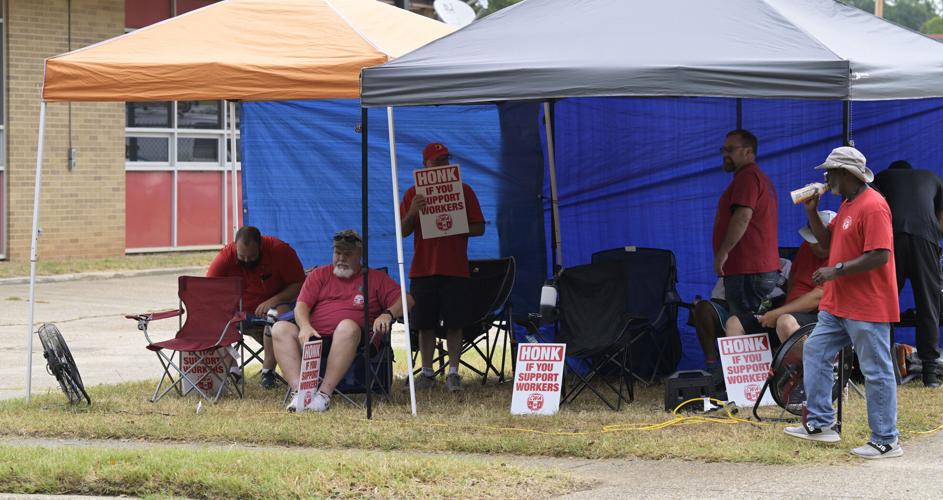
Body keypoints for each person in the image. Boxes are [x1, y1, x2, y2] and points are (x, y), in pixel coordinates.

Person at [784, 146, 902, 459]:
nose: (826, 178)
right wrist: (812, 211)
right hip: (838, 304)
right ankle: (822, 424)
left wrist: (836, 270)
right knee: (815, 350)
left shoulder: (873, 205)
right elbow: (825, 245)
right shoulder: (848, 204)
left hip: (867, 304)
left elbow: (880, 255)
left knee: (876, 370)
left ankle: (886, 440)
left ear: (846, 174)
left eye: (830, 172)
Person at [273, 229, 413, 412]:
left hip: (356, 340)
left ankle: (323, 396)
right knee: (279, 328)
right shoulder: (319, 275)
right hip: (315, 337)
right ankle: (301, 393)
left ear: (359, 255)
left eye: (348, 254)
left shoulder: (375, 278)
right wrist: (305, 327)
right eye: (337, 253)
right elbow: (301, 306)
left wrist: (387, 314)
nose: (341, 258)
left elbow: (407, 300)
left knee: (346, 326)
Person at [400, 142, 485, 392]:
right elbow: (402, 231)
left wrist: (455, 224)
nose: (442, 165)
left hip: (455, 268)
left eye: (445, 160)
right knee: (424, 324)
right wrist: (413, 211)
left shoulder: (464, 191)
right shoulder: (412, 194)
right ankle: (427, 373)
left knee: (454, 323)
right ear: (425, 164)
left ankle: (454, 373)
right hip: (423, 269)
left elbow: (479, 228)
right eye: (437, 161)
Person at [872, 160, 943, 388]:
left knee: (885, 305)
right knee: (929, 305)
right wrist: (932, 236)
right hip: (926, 237)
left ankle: (888, 371)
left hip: (892, 238)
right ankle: (930, 375)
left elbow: (871, 209)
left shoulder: (882, 177)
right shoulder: (931, 176)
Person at [207, 226, 305, 389]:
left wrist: (273, 300)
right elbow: (209, 289)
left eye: (251, 257)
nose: (246, 260)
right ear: (235, 247)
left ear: (261, 247)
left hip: (274, 309)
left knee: (277, 312)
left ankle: (268, 372)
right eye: (241, 256)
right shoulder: (225, 256)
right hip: (239, 313)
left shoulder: (280, 251)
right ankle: (233, 368)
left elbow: (299, 284)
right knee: (212, 316)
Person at [725, 213, 833, 344]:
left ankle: (809, 365)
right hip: (790, 311)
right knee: (735, 323)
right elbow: (793, 279)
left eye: (816, 241)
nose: (811, 245)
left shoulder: (841, 255)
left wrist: (778, 313)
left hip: (819, 317)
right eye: (810, 240)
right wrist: (782, 308)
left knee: (785, 322)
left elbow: (817, 298)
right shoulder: (806, 247)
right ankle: (759, 365)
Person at [713, 129, 780, 315]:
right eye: (723, 150)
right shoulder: (756, 177)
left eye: (730, 149)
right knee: (751, 328)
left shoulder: (748, 177)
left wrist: (723, 252)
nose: (725, 154)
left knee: (744, 330)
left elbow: (742, 216)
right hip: (753, 270)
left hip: (747, 271)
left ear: (748, 152)